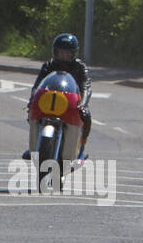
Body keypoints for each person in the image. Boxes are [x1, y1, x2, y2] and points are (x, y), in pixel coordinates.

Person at [23, 32, 92, 160]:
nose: (64, 55)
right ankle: (34, 145)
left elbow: (86, 86)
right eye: (60, 52)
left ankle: (81, 148)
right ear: (55, 52)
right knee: (31, 112)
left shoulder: (80, 66)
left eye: (67, 53)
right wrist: (33, 99)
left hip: (71, 103)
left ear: (73, 53)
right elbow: (38, 84)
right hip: (50, 101)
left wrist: (82, 104)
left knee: (87, 116)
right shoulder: (49, 65)